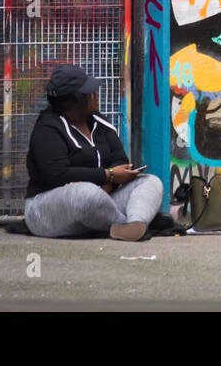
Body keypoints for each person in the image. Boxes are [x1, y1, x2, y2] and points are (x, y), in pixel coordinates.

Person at [24, 64, 161, 241]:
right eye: (89, 93)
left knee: (150, 182)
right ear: (74, 101)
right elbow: (57, 175)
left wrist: (109, 183)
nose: (95, 96)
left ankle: (135, 223)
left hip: (100, 204)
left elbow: (120, 159)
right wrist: (108, 175)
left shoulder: (98, 121)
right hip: (48, 209)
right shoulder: (47, 128)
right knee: (85, 193)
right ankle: (126, 225)